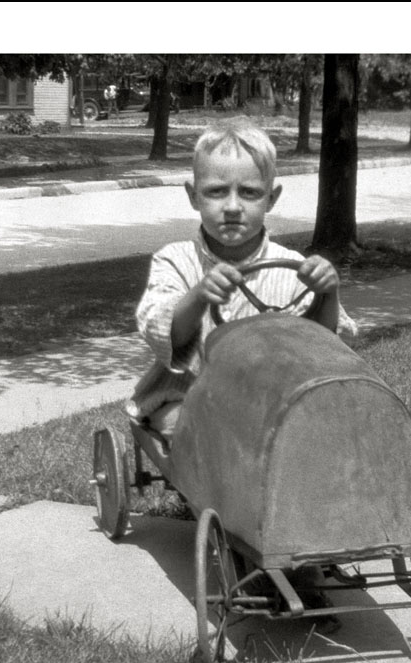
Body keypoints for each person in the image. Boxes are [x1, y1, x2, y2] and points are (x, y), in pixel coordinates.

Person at [127, 118, 357, 442]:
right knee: (189, 427)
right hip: (190, 396)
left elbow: (322, 344)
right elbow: (162, 330)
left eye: (249, 193)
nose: (232, 207)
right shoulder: (175, 260)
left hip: (276, 401)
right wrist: (199, 295)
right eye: (216, 192)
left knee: (328, 425)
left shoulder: (293, 267)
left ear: (271, 198)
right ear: (194, 197)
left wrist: (328, 294)